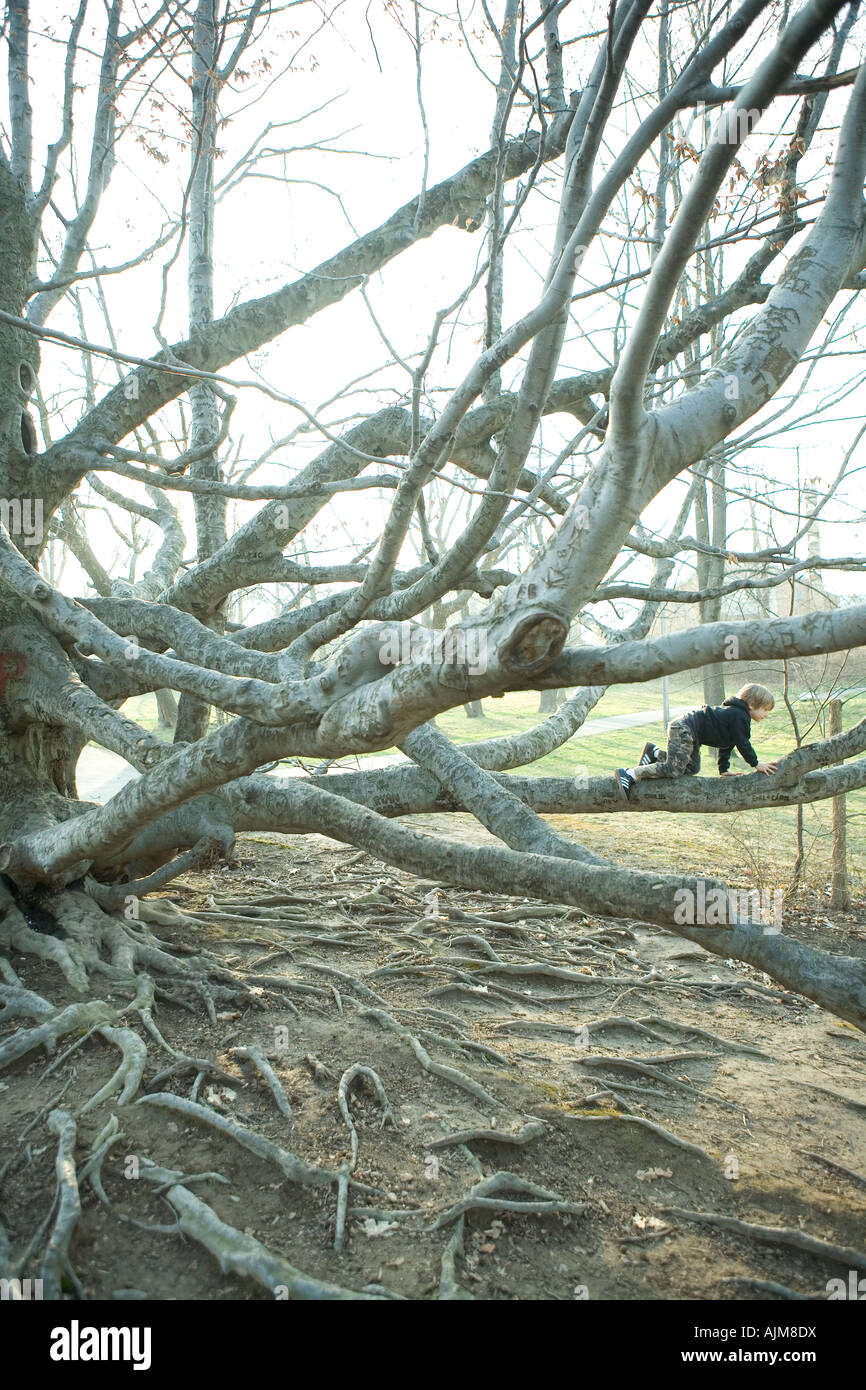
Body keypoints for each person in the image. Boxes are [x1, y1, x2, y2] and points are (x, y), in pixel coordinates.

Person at [615, 683, 779, 800]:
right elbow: (743, 743)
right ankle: (630, 773)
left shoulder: (736, 716)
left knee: (692, 768)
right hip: (684, 729)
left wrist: (723, 769)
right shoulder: (739, 716)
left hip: (691, 734)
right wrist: (756, 764)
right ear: (751, 705)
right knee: (674, 769)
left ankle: (655, 753)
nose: (766, 715)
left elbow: (728, 744)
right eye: (765, 710)